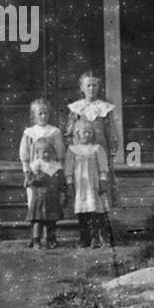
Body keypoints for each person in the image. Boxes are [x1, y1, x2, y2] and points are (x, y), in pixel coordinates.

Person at [64, 71, 119, 213]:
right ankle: (82, 212)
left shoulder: (105, 108)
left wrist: (111, 152)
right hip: (82, 155)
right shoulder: (76, 108)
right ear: (82, 88)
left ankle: (102, 216)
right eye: (88, 85)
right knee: (83, 182)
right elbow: (69, 132)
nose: (91, 89)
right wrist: (74, 150)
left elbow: (111, 131)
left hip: (100, 152)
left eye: (94, 85)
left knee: (100, 182)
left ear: (99, 87)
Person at [64, 119, 110, 248]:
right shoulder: (72, 150)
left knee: (94, 211)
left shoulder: (97, 149)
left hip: (93, 186)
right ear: (77, 133)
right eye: (85, 132)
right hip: (80, 187)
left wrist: (103, 181)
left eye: (90, 132)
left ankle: (95, 237)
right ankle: (84, 238)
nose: (88, 134)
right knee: (82, 212)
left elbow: (102, 167)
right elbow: (68, 169)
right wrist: (69, 183)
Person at [24, 139, 66, 249]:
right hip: (40, 198)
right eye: (44, 152)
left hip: (53, 198)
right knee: (38, 220)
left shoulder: (56, 166)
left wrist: (63, 192)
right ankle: (36, 240)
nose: (47, 154)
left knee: (51, 221)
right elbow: (28, 183)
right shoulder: (35, 166)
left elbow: (61, 182)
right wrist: (36, 178)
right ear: (37, 153)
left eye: (49, 152)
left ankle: (51, 239)